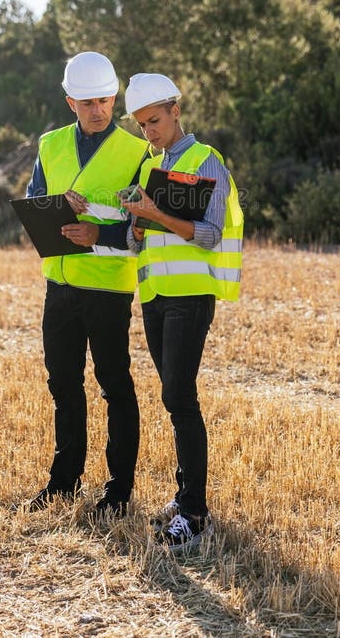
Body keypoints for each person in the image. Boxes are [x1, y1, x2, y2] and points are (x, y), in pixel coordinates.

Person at [21, 52, 149, 517]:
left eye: (106, 100)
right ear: (70, 100)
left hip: (109, 288)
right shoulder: (50, 144)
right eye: (88, 101)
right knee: (63, 385)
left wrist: (101, 234)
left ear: (114, 97)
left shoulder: (138, 152)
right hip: (59, 286)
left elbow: (144, 228)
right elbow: (35, 204)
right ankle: (63, 483)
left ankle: (118, 492)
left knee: (115, 385)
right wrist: (57, 205)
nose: (98, 109)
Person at [122, 72, 244, 552]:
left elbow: (211, 233)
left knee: (180, 394)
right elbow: (137, 243)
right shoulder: (146, 169)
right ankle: (184, 497)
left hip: (192, 295)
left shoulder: (205, 159)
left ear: (175, 111)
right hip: (154, 297)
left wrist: (155, 214)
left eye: (155, 120)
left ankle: (194, 512)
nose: (148, 131)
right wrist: (135, 219)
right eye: (141, 124)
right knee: (174, 398)